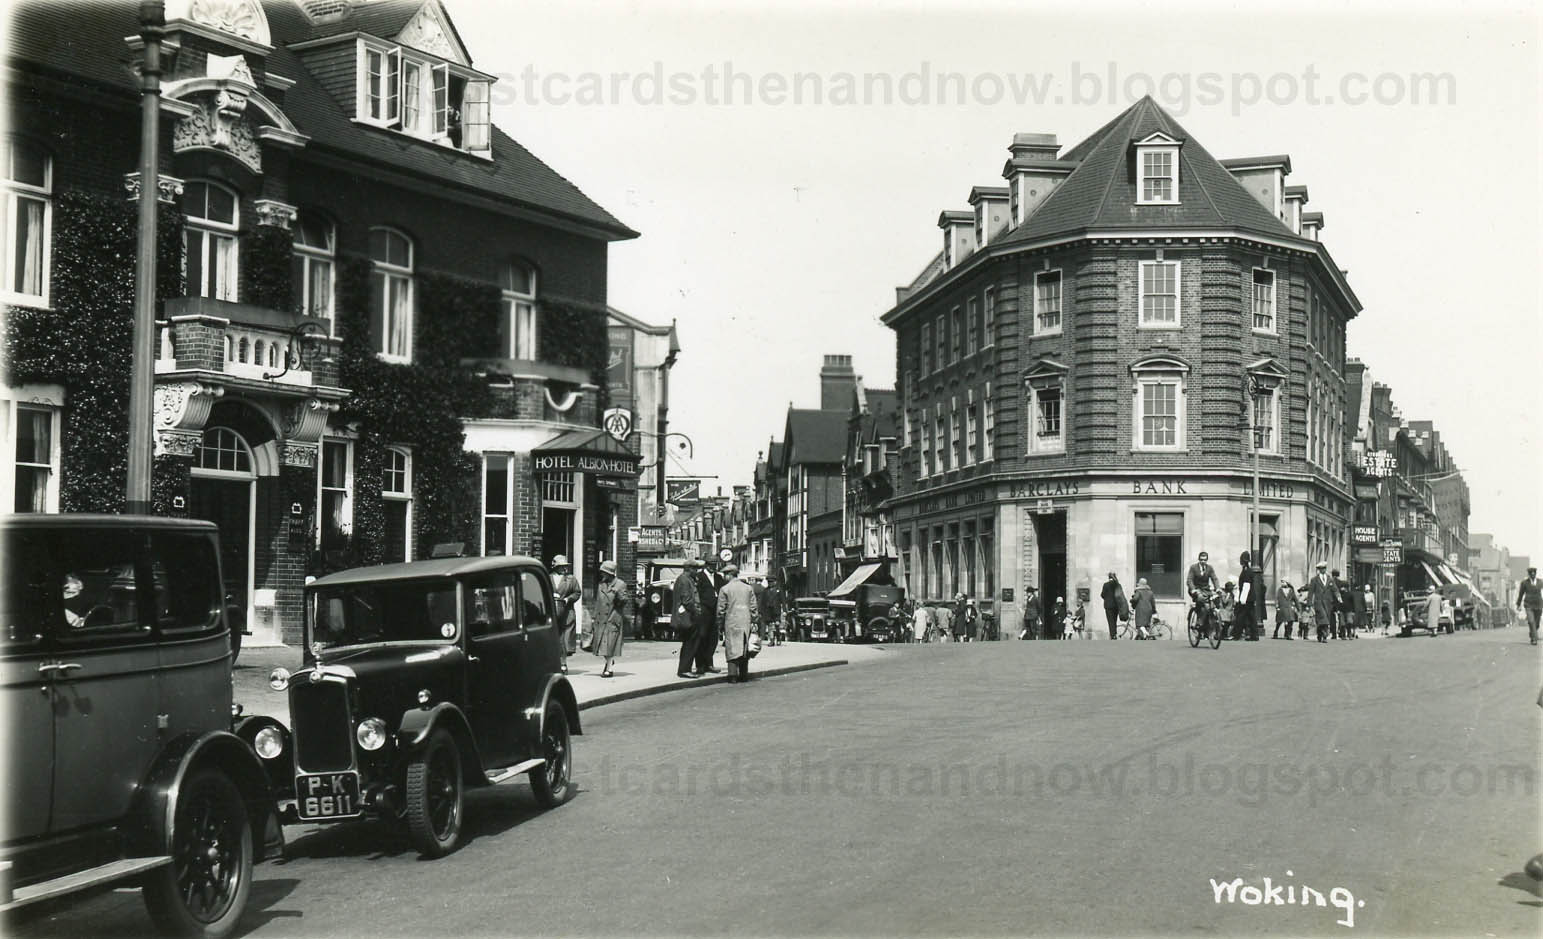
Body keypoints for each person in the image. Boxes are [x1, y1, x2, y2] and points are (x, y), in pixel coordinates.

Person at [716, 563, 761, 683]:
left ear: (729, 575)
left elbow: (721, 609)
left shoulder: (725, 589)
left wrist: (719, 623)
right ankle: (743, 675)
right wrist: (754, 619)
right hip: (745, 621)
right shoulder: (748, 588)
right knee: (744, 648)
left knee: (732, 648)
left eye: (725, 574)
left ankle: (732, 676)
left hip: (731, 622)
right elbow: (753, 607)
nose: (724, 577)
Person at [590, 560, 627, 678]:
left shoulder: (620, 584)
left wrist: (618, 595)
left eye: (604, 572)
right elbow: (598, 602)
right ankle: (609, 661)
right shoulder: (601, 584)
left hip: (612, 617)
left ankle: (609, 668)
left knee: (610, 644)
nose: (602, 574)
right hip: (601, 619)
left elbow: (624, 602)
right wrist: (593, 617)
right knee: (601, 645)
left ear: (610, 573)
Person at [673, 560, 705, 678]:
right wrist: (696, 612)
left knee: (690, 643)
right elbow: (687, 601)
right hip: (688, 617)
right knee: (689, 644)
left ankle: (685, 668)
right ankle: (684, 669)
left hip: (689, 616)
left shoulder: (686, 580)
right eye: (695, 569)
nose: (696, 572)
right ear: (689, 569)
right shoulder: (684, 581)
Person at [550, 555, 580, 673]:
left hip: (566, 611)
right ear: (556, 567)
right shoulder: (548, 578)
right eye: (561, 567)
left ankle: (563, 663)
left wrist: (568, 599)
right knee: (553, 637)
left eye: (565, 566)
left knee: (564, 637)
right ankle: (554, 663)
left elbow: (577, 592)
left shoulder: (571, 579)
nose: (564, 569)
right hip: (552, 611)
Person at [693, 562, 721, 674]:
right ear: (706, 565)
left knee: (713, 638)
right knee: (701, 637)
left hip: (715, 611)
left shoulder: (718, 577)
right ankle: (700, 665)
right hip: (704, 611)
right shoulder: (699, 577)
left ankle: (709, 663)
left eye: (715, 565)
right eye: (711, 565)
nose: (713, 567)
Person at [1235, 551, 1264, 641]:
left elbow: (1246, 586)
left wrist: (1242, 599)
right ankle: (1254, 635)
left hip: (1247, 598)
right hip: (1250, 598)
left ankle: (1237, 635)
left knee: (1240, 616)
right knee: (1252, 617)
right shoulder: (1247, 570)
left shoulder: (1247, 571)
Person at [1308, 561, 1335, 642]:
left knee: (1324, 619)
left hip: (1328, 603)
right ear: (1319, 569)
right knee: (1324, 618)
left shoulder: (1329, 579)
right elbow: (1311, 592)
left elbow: (1335, 588)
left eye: (1324, 568)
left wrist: (1338, 596)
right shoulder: (1314, 580)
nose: (1323, 570)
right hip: (1319, 602)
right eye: (1321, 569)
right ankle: (1324, 635)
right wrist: (1309, 603)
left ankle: (1320, 634)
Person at [1516, 567, 1542, 645]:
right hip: (1528, 605)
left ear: (1536, 574)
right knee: (1531, 621)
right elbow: (1521, 594)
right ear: (1529, 575)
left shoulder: (1540, 582)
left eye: (1534, 574)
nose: (1533, 575)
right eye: (1531, 574)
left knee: (1536, 623)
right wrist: (1518, 604)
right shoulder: (1524, 583)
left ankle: (1532, 633)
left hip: (1539, 605)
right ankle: (1534, 639)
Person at [1332, 570, 1354, 640]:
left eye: (1343, 587)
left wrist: (1353, 610)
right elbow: (1338, 602)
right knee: (1342, 623)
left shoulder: (1350, 594)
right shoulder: (1339, 595)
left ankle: (1349, 634)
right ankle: (1343, 635)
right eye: (1341, 587)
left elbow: (1352, 602)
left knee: (1349, 622)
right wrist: (1337, 609)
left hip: (1348, 610)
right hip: (1341, 610)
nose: (1342, 588)